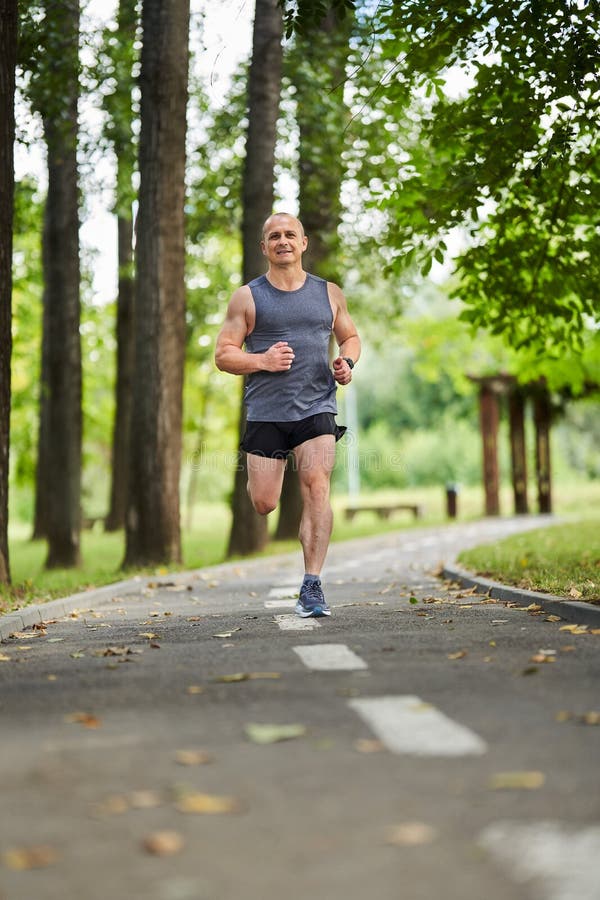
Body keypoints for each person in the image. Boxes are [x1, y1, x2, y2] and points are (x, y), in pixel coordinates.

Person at [215, 212, 361, 617]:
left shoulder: (329, 293)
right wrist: (261, 360)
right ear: (264, 247)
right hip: (266, 412)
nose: (283, 241)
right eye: (274, 236)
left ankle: (312, 584)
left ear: (303, 242)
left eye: (289, 235)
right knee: (264, 503)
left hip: (317, 405)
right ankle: (298, 552)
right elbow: (223, 354)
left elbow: (349, 336)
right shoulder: (247, 297)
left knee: (317, 487)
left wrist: (347, 362)